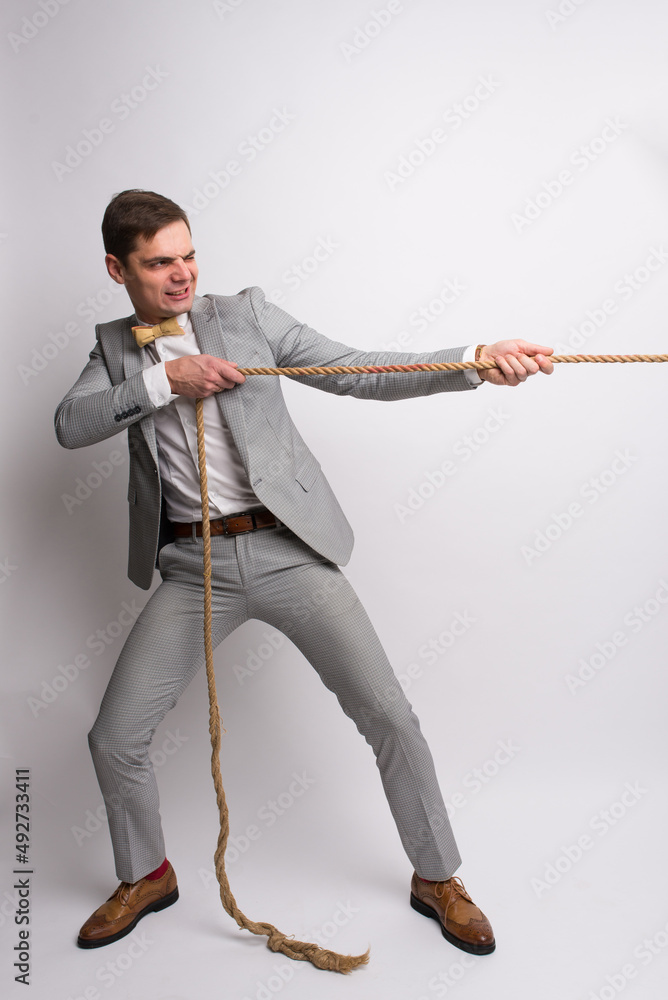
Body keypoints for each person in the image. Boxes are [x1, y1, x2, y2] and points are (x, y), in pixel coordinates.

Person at [55, 189, 553, 956]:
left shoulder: (249, 314)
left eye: (189, 255)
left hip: (289, 550)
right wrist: (166, 382)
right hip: (194, 570)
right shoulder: (115, 350)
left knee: (389, 716)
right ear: (118, 268)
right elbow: (70, 424)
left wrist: (474, 363)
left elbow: (357, 371)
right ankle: (147, 874)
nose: (182, 274)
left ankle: (437, 877)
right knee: (113, 736)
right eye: (160, 263)